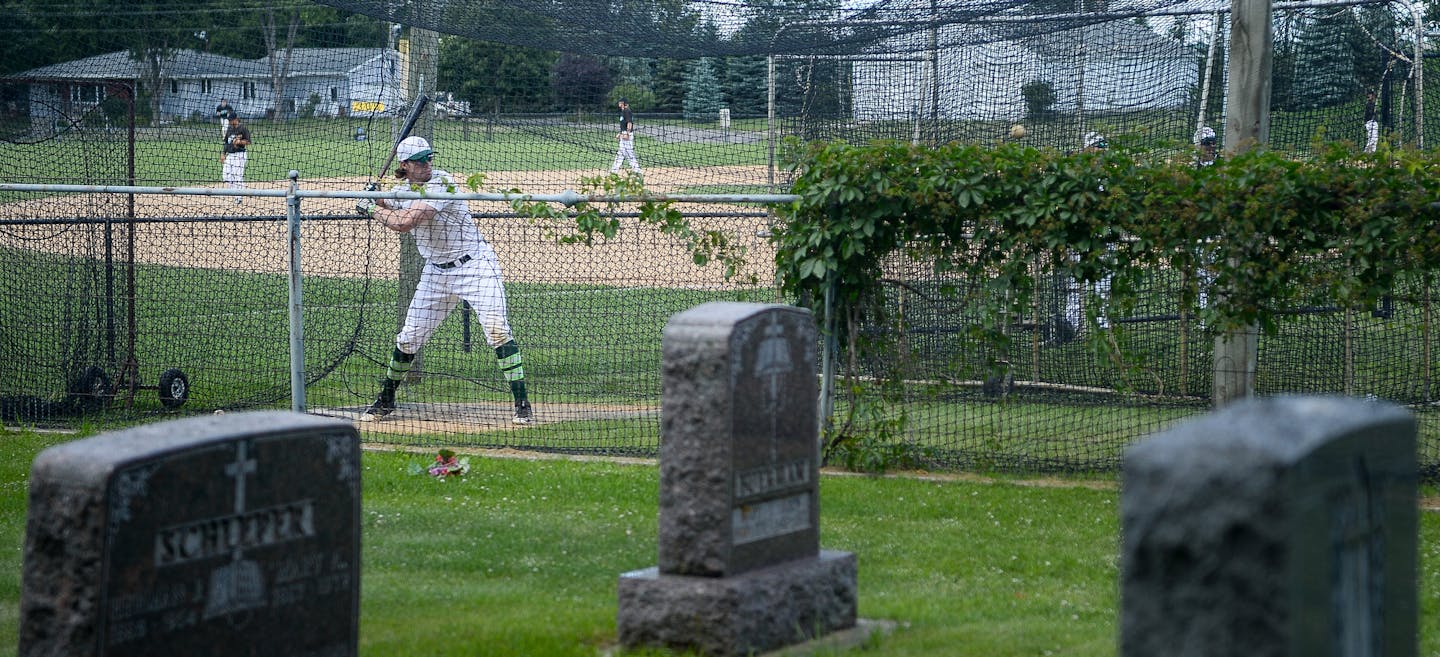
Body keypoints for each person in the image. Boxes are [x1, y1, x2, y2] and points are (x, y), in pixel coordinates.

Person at [356, 136, 533, 424]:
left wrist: (371, 208)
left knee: (497, 329)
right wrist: (372, 195)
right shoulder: (402, 190)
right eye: (420, 160)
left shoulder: (442, 183)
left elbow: (404, 223)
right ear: (404, 165)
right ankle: (386, 400)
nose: (428, 163)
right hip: (436, 273)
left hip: (475, 266)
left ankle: (522, 403)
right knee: (409, 337)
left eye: (429, 157)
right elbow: (388, 201)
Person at [1056, 132, 1111, 342]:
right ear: (1087, 149)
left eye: (1103, 146)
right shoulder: (1076, 173)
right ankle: (1072, 326)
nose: (1101, 150)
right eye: (1097, 146)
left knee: (1103, 282)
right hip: (1078, 236)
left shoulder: (1107, 175)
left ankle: (1102, 328)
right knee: (1074, 283)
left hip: (1101, 237)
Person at [220, 114, 250, 205]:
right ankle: (236, 192)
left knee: (238, 176)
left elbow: (248, 142)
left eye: (230, 120)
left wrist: (240, 142)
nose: (229, 122)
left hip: (240, 155)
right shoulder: (229, 129)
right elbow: (226, 142)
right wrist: (223, 154)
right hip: (230, 155)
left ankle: (239, 197)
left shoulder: (243, 129)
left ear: (236, 119)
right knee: (226, 175)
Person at [609, 97, 641, 175]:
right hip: (624, 133)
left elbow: (629, 123)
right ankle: (614, 171)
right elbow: (624, 124)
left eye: (620, 103)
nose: (619, 104)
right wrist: (620, 134)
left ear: (623, 103)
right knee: (622, 153)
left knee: (628, 154)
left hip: (627, 134)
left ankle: (637, 171)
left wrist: (627, 133)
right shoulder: (623, 111)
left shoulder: (627, 111)